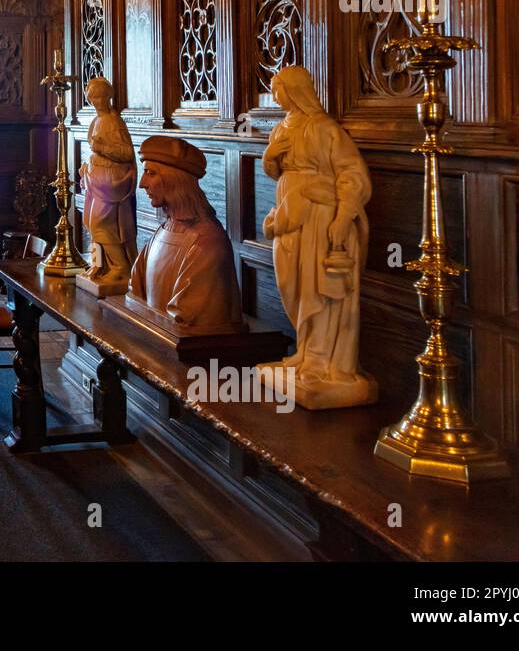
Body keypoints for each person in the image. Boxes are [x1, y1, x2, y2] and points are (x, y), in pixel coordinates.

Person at [259, 66, 376, 408]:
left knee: (319, 287)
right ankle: (305, 348)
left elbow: (353, 174)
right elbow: (275, 169)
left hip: (320, 215)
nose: (276, 96)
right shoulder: (282, 127)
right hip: (290, 213)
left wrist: (343, 216)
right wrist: (270, 156)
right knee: (292, 282)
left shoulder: (324, 128)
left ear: (295, 90)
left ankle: (320, 360)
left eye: (279, 89)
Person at [127, 135, 242, 335]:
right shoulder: (163, 231)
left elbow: (189, 325)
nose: (142, 183)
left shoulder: (208, 243)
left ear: (174, 180)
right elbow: (135, 294)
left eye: (151, 173)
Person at [78, 77, 137, 289]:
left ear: (108, 96)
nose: (96, 101)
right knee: (89, 221)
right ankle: (99, 265)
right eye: (92, 98)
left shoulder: (114, 121)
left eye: (100, 96)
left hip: (111, 180)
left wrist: (101, 149)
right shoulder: (96, 121)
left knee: (101, 223)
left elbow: (126, 153)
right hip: (97, 178)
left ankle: (120, 268)